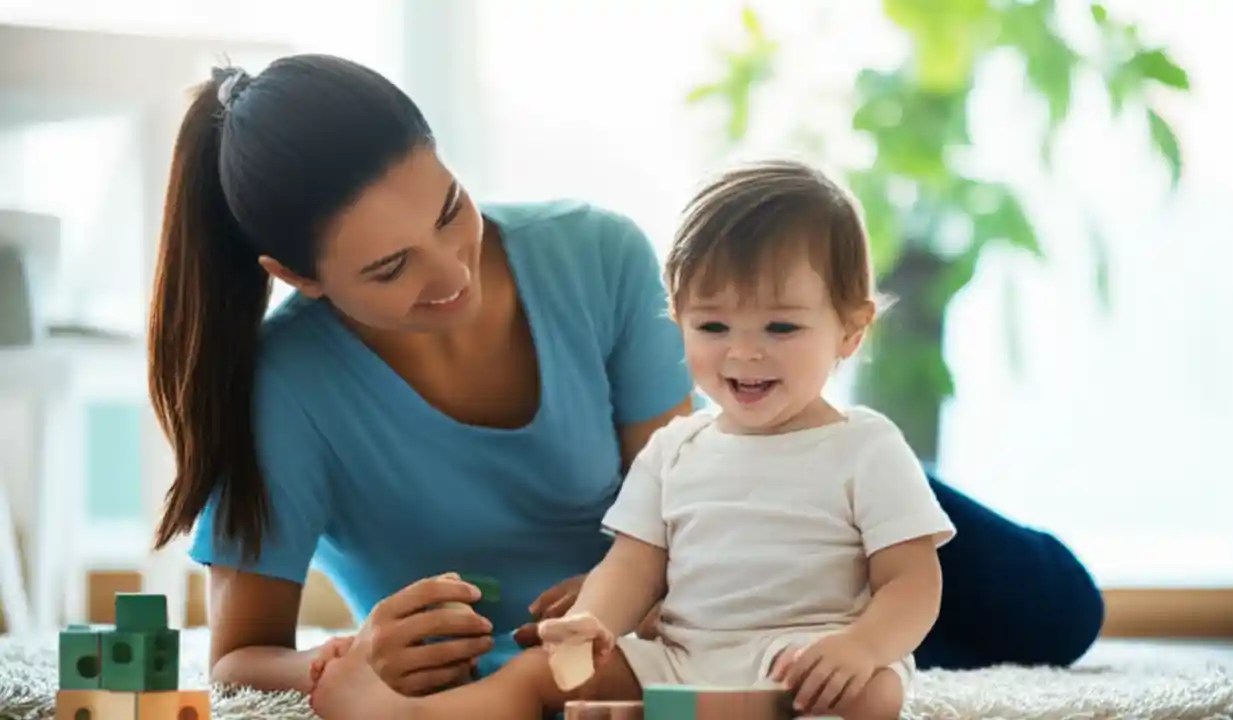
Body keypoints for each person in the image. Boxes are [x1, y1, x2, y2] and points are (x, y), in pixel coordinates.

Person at [147, 53, 1103, 701]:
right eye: (390, 269)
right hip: (622, 663)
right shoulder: (284, 388)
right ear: (297, 278)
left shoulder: (592, 251)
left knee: (1057, 611)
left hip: (777, 522)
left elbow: (700, 476)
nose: (453, 274)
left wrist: (623, 590)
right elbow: (235, 658)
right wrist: (346, 657)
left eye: (450, 210)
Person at [310, 159, 958, 720]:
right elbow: (632, 566)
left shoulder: (866, 445)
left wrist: (862, 646)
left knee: (873, 695)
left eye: (781, 327)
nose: (744, 352)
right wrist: (592, 624)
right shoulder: (676, 448)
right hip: (678, 660)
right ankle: (412, 714)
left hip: (806, 663)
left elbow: (911, 582)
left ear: (851, 330)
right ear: (676, 320)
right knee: (545, 672)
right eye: (711, 325)